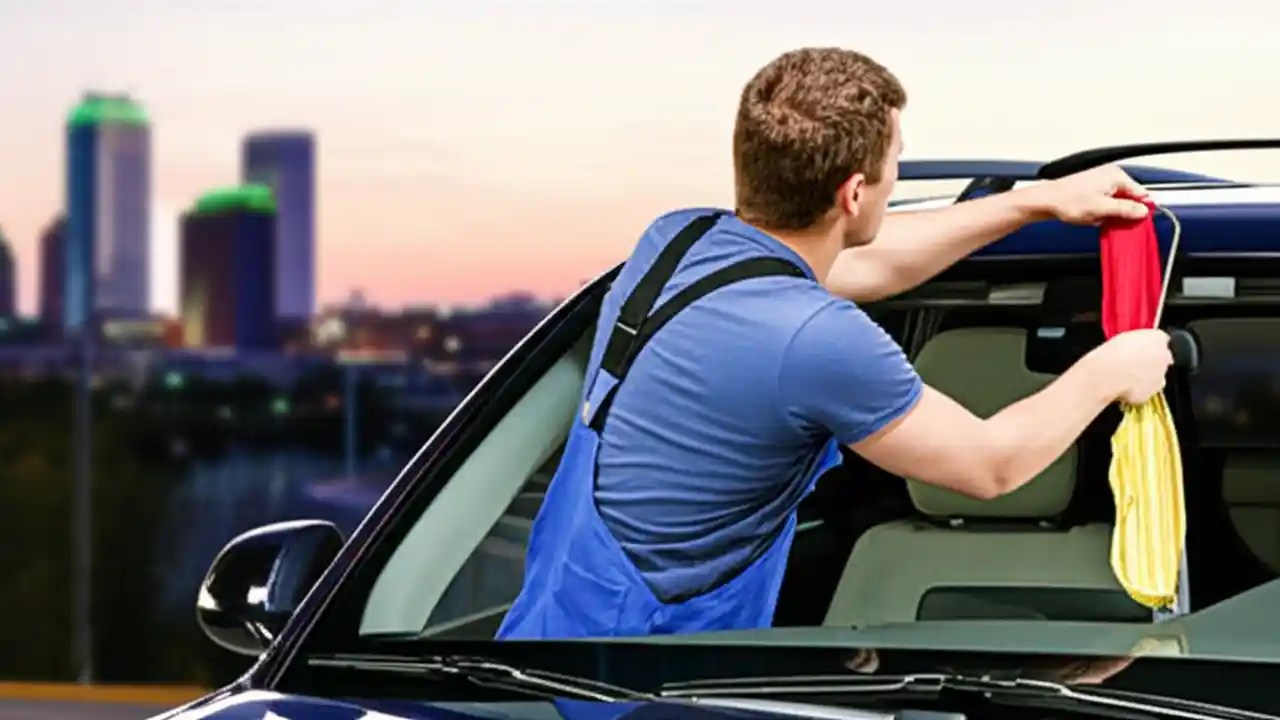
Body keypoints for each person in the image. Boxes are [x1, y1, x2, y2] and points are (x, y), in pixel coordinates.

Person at [496, 47, 1173, 641]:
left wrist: (1035, 202)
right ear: (854, 192)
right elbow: (988, 467)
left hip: (532, 649)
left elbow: (866, 265)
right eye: (893, 164)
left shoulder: (676, 243)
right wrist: (1114, 368)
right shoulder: (819, 340)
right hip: (644, 681)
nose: (896, 177)